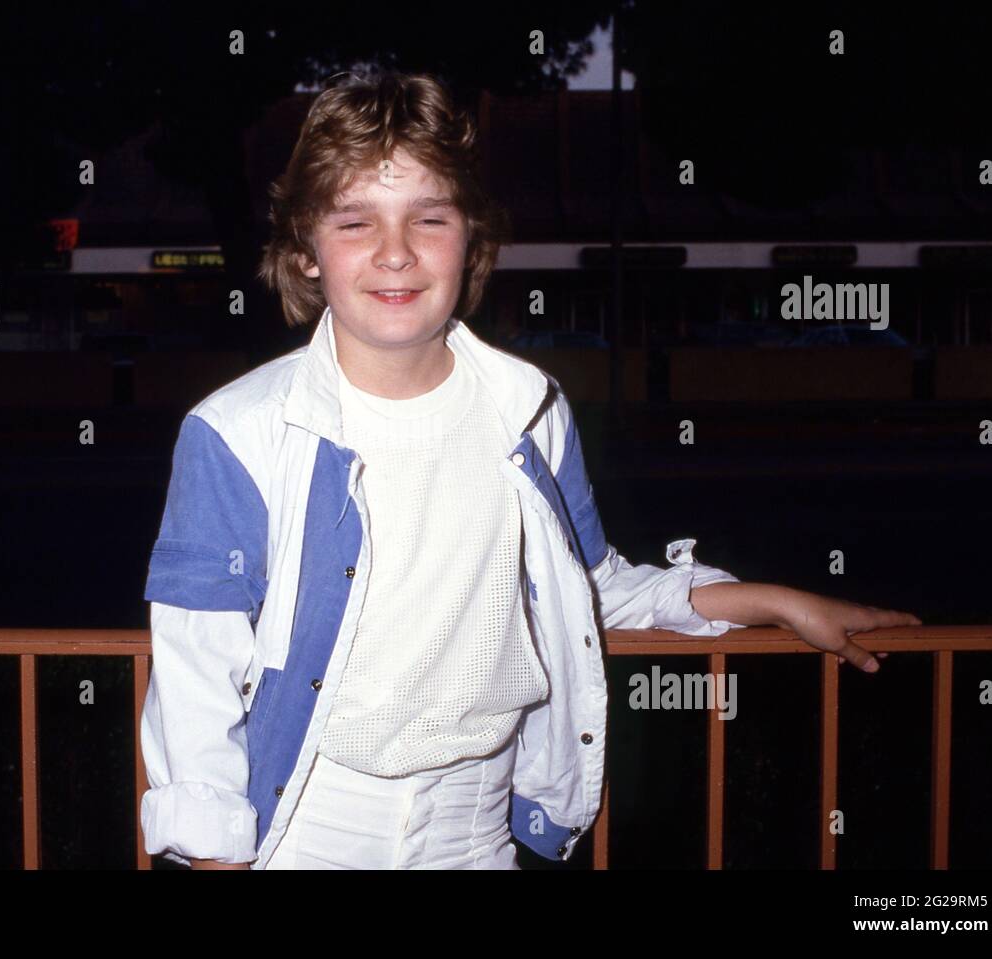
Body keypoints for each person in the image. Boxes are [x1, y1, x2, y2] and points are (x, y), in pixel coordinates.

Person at [138, 70, 921, 870]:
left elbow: (588, 587)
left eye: (429, 217)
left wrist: (780, 601)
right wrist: (217, 858)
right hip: (302, 837)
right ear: (305, 250)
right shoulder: (236, 431)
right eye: (354, 222)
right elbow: (197, 672)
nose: (396, 252)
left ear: (472, 239)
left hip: (476, 839)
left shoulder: (530, 408)